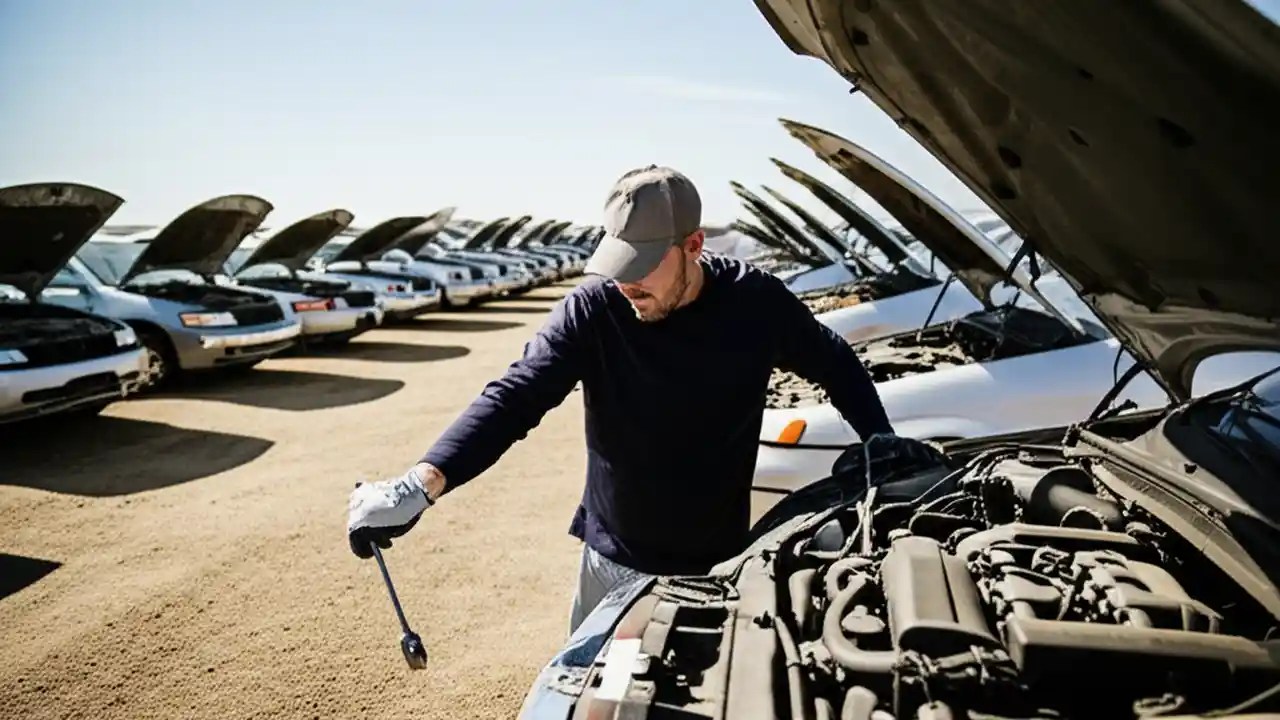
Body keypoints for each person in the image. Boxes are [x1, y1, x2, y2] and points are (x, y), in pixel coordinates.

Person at [347, 165, 902, 634]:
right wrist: (422, 482)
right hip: (610, 560)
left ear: (693, 246)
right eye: (617, 266)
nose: (625, 285)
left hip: (718, 565)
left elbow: (834, 360)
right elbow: (517, 394)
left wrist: (881, 439)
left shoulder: (755, 303)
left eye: (640, 269)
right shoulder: (594, 308)